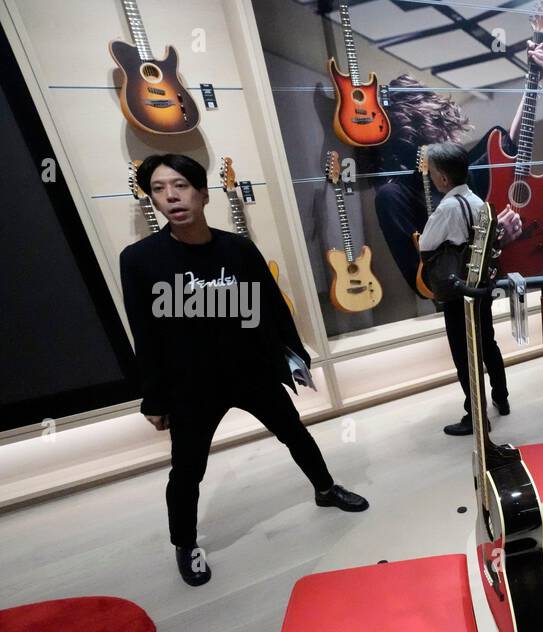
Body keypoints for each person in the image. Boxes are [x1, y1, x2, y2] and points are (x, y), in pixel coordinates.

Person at [120, 154, 368, 587]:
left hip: (250, 371)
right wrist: (154, 398)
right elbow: (145, 333)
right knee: (187, 469)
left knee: (295, 432)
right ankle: (185, 542)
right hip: (190, 384)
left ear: (202, 192)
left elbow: (270, 306)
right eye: (159, 189)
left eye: (180, 185)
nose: (171, 196)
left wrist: (293, 355)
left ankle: (326, 488)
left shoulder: (237, 249)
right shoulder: (140, 259)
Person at [373, 41, 543, 294]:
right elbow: (427, 284)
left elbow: (510, 150)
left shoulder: (457, 175)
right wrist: (492, 237)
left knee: (498, 135)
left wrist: (533, 83)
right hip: (459, 306)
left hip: (499, 287)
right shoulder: (393, 198)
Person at [418, 142, 508, 436]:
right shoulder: (479, 202)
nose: (430, 178)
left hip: (457, 290)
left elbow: (426, 245)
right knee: (488, 342)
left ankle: (475, 416)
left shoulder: (446, 209)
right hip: (480, 284)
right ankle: (501, 397)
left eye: (432, 173)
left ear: (443, 178)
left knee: (464, 354)